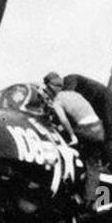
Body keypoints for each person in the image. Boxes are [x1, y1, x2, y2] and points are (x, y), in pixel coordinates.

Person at [43, 72, 106, 207]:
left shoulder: (57, 101)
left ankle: (70, 193)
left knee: (60, 135)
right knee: (93, 164)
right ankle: (90, 200)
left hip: (85, 130)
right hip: (99, 129)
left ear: (49, 87)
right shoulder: (75, 94)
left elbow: (64, 120)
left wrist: (72, 136)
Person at [63, 73, 112, 174]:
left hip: (104, 99)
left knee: (109, 131)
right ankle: (105, 162)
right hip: (97, 102)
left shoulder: (69, 79)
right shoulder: (69, 84)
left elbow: (70, 98)